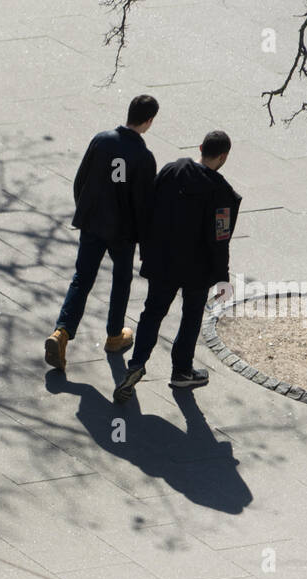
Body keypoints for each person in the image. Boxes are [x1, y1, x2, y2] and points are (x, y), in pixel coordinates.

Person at [114, 131, 242, 403]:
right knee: (191, 316)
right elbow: (220, 241)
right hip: (197, 269)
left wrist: (147, 249)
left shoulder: (172, 170)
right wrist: (222, 278)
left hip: (162, 261)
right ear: (223, 156)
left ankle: (136, 363)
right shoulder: (221, 193)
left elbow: (148, 208)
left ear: (200, 148)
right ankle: (181, 371)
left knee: (153, 312)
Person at [45, 94, 159, 371]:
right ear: (148, 121)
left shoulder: (102, 140)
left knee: (82, 278)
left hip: (93, 223)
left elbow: (81, 179)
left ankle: (62, 331)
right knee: (121, 281)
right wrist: (146, 242)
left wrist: (84, 211)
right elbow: (144, 205)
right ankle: (114, 334)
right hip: (122, 232)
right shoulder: (144, 157)